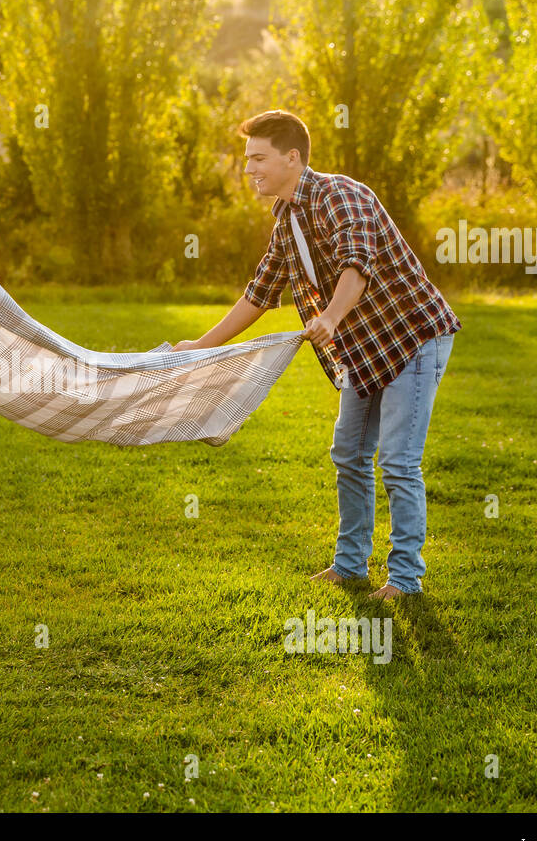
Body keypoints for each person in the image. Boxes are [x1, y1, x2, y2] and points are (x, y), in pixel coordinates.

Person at [174, 110, 460, 600]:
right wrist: (200, 347)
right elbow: (259, 294)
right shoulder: (286, 220)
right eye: (247, 159)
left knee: (397, 462)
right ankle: (349, 565)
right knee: (348, 454)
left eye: (258, 158)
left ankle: (405, 579)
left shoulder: (340, 197)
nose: (249, 169)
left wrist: (330, 316)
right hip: (364, 352)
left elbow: (357, 264)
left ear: (292, 158)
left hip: (412, 338)